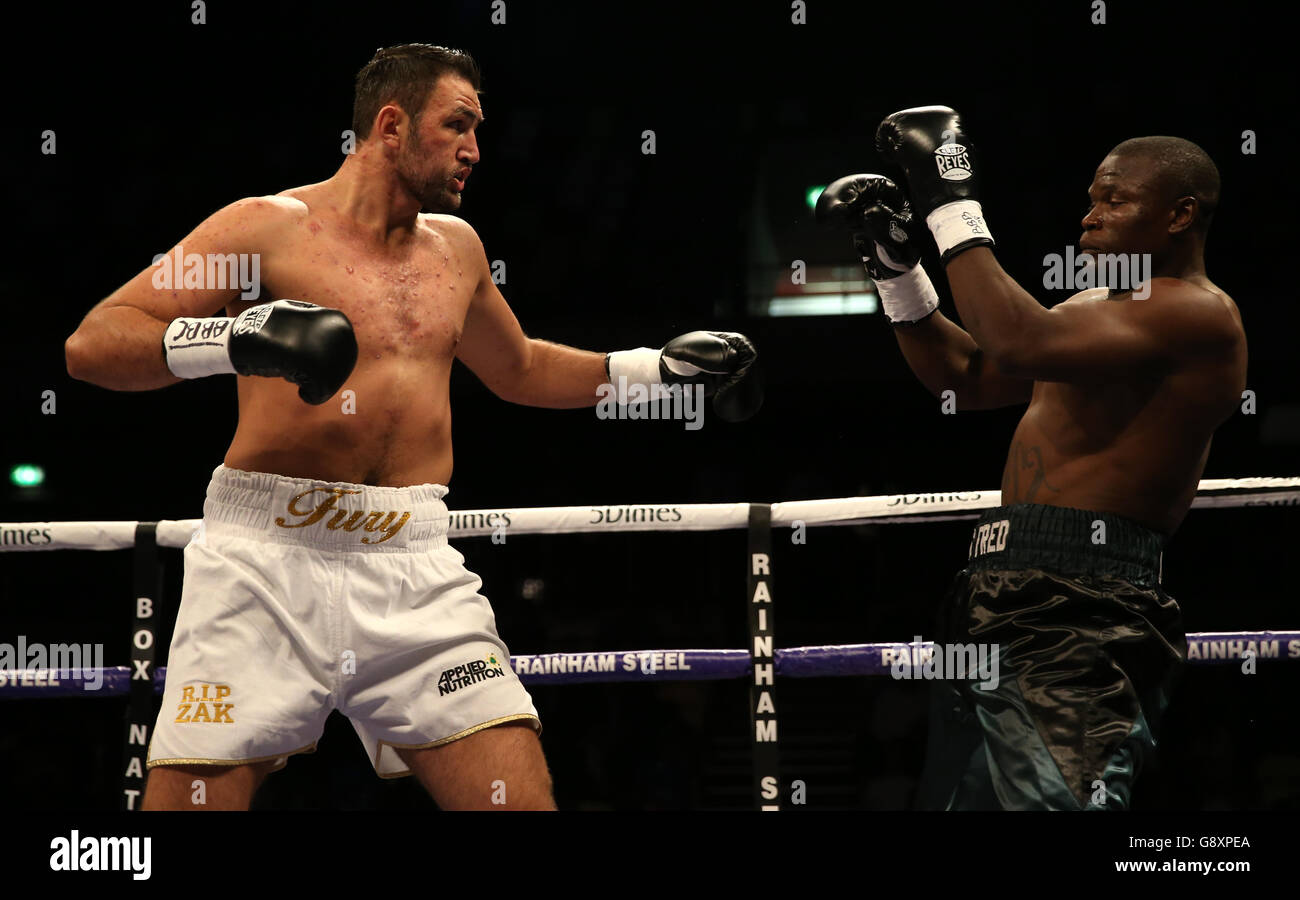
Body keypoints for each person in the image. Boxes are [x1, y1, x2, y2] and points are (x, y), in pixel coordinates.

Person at [64, 43, 759, 811]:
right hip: (262, 563)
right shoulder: (263, 228)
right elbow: (94, 344)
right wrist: (231, 339)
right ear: (390, 126)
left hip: (414, 566)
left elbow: (520, 368)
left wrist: (652, 372)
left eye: (478, 129)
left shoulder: (457, 251)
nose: (475, 150)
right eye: (458, 125)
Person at [816, 106, 1246, 809]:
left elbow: (1019, 342)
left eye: (1115, 199)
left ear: (1180, 214)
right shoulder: (1094, 309)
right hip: (990, 589)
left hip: (1086, 600)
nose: (1091, 216)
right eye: (1090, 200)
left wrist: (951, 202)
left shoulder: (1198, 314)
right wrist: (898, 270)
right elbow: (970, 375)